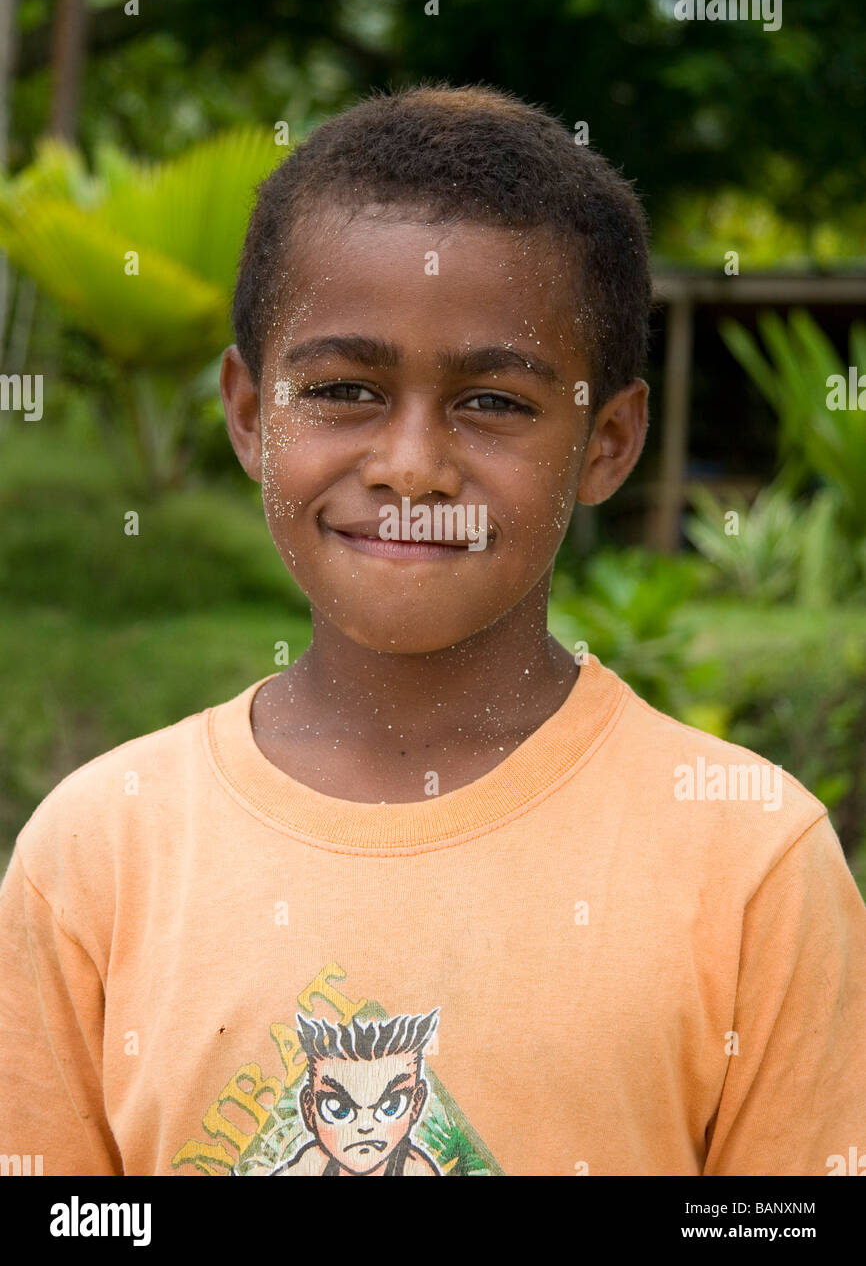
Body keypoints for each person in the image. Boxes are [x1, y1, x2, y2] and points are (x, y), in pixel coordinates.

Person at [1, 83, 863, 1177]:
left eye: (493, 402)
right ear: (250, 414)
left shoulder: (748, 864)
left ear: (605, 441)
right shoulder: (97, 855)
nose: (410, 464)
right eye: (345, 388)